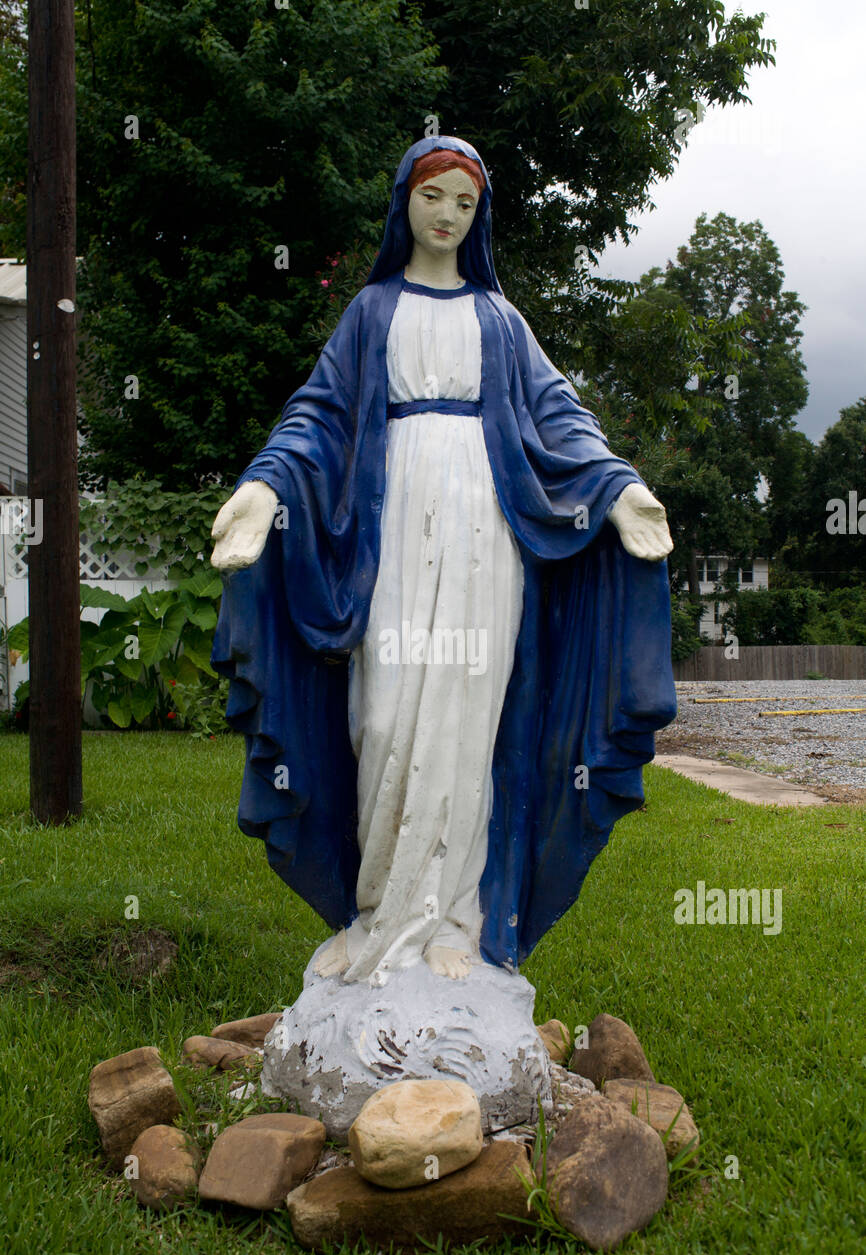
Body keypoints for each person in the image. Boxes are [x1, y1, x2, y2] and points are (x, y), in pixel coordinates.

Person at [211, 135, 676, 988]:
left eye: (466, 203)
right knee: (383, 719)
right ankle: (378, 911)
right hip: (391, 526)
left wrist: (618, 490)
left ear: (479, 215)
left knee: (470, 726)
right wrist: (264, 491)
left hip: (483, 532)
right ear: (405, 203)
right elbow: (315, 418)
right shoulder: (371, 312)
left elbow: (560, 417)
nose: (449, 216)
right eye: (435, 197)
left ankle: (460, 917)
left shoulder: (500, 321)